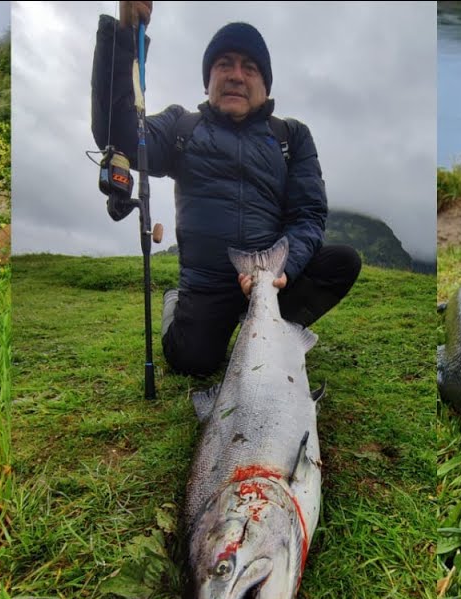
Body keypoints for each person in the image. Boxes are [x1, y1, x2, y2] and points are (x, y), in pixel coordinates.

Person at [91, 0, 361, 378]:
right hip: (208, 284)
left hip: (272, 278)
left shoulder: (291, 137)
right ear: (208, 80)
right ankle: (176, 302)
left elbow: (308, 215)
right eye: (224, 64)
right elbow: (117, 129)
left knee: (343, 262)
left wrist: (283, 269)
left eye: (249, 68)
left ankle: (274, 331)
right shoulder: (180, 127)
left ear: (266, 85)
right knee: (191, 361)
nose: (236, 75)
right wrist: (123, 36)